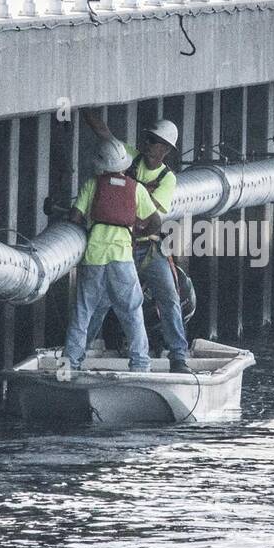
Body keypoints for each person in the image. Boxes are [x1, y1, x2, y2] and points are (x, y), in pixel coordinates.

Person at [83, 112, 193, 374]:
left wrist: (118, 205)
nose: (147, 143)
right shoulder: (130, 157)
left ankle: (178, 357)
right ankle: (82, 351)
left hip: (149, 247)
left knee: (169, 296)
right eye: (146, 138)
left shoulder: (167, 178)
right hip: (123, 247)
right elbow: (105, 135)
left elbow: (151, 217)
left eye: (153, 140)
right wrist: (82, 108)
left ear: (165, 149)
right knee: (103, 299)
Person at [64, 137, 163, 372]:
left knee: (83, 311)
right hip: (121, 256)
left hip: (94, 255)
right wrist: (138, 233)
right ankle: (140, 364)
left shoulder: (92, 185)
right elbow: (155, 221)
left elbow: (74, 218)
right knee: (132, 311)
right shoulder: (135, 188)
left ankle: (71, 363)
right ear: (123, 164)